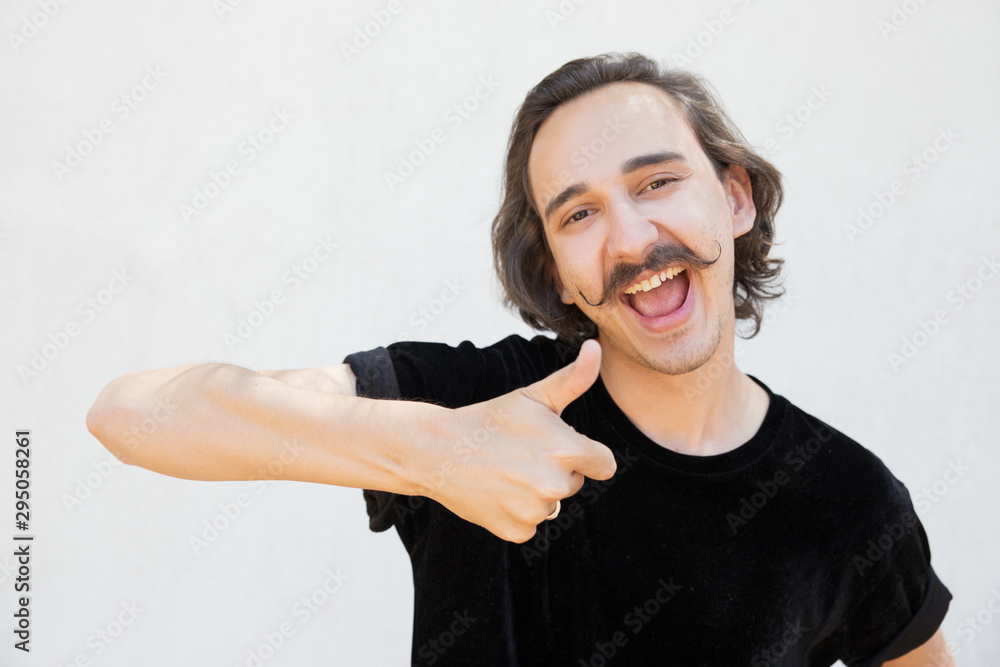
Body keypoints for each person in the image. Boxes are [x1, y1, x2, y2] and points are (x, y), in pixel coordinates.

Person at [87, 52, 954, 666]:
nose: (630, 237)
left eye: (656, 182)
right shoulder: (469, 400)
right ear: (557, 276)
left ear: (732, 198)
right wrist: (428, 449)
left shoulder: (847, 497)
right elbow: (130, 414)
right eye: (577, 215)